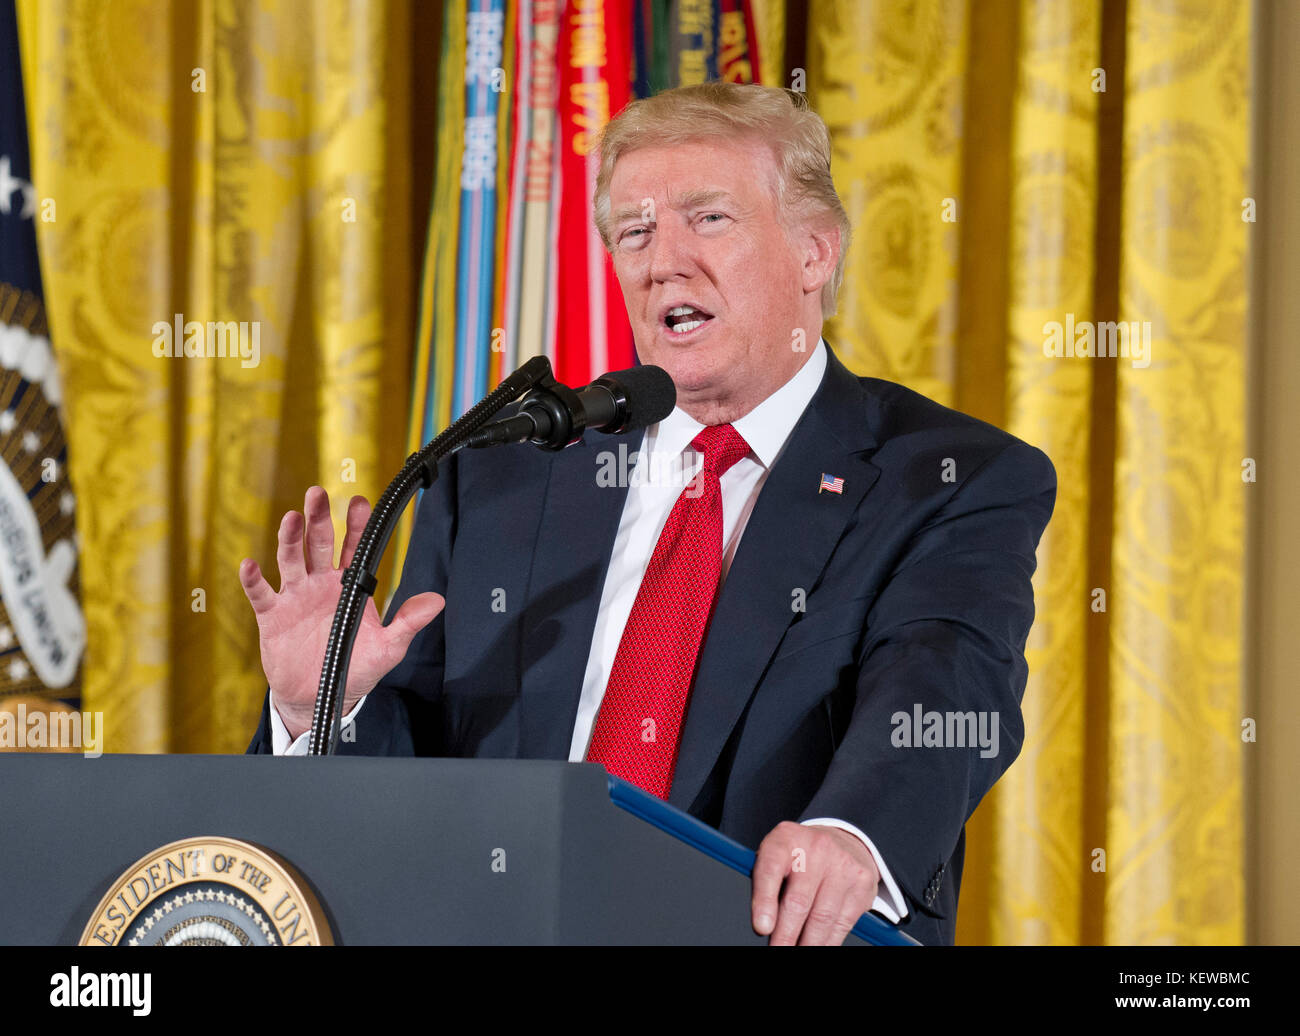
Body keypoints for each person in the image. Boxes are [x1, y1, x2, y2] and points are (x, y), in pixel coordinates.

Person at [241, 82, 1056, 946]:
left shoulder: (944, 477)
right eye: (633, 231)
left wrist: (850, 837)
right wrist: (321, 705)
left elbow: (945, 684)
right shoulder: (497, 481)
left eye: (708, 220)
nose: (662, 259)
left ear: (815, 251)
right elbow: (412, 806)